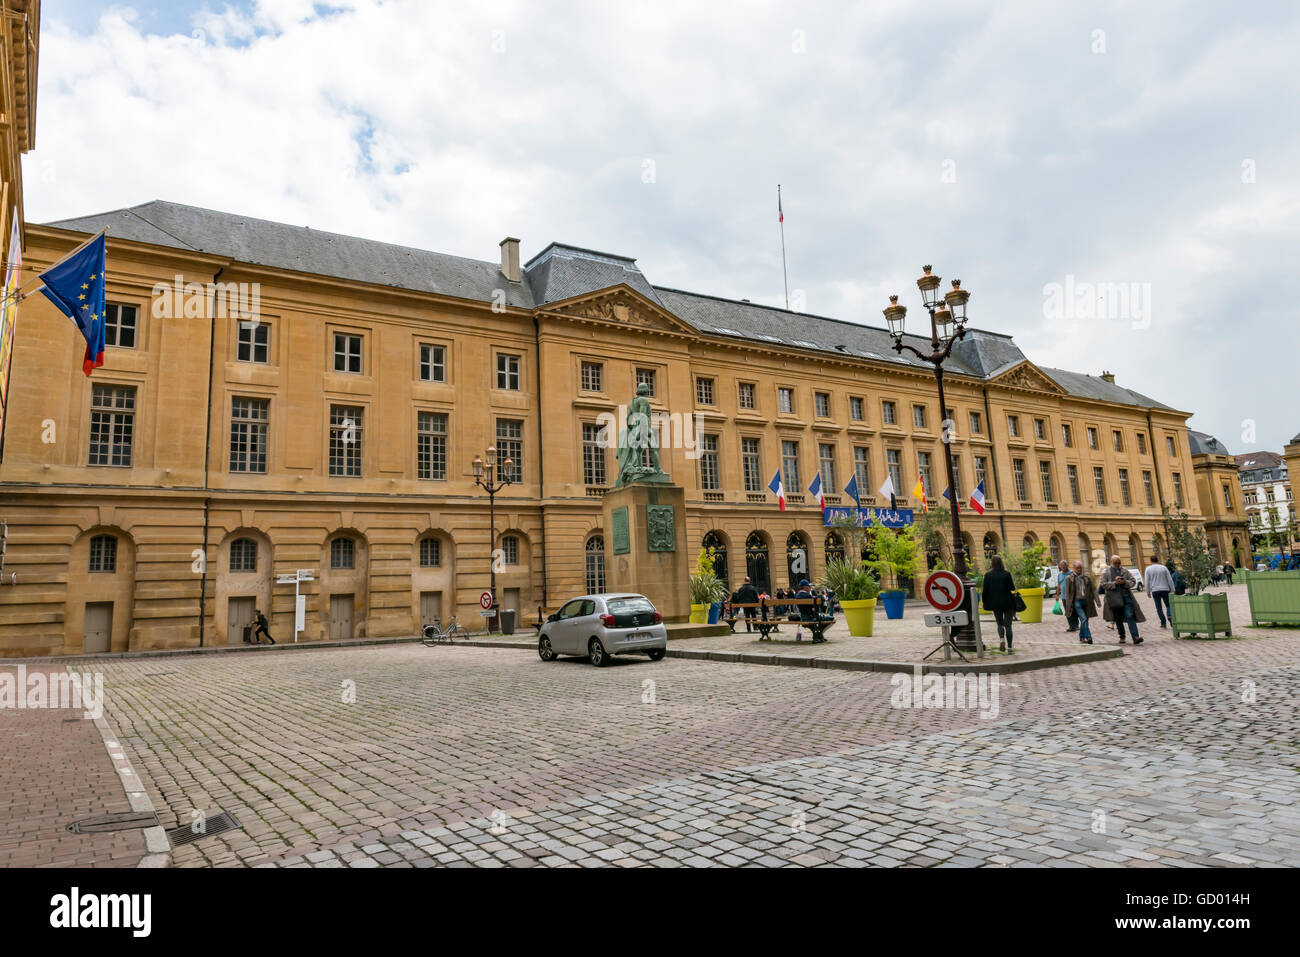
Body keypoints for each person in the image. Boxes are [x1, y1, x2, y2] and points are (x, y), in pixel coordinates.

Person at [1099, 555, 1144, 645]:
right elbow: (1103, 584)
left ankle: (1135, 637)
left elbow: (1133, 581)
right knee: (1118, 619)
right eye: (1116, 563)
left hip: (1126, 597)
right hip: (1114, 599)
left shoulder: (1125, 571)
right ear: (1111, 562)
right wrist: (1115, 583)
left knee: (1129, 615)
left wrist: (1125, 582)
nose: (1118, 564)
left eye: (1119, 563)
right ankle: (1122, 636)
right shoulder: (1106, 572)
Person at [981, 554, 1018, 652]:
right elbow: (1012, 588)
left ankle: (1002, 639)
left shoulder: (988, 575)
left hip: (995, 603)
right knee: (1008, 625)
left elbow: (985, 591)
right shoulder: (1007, 574)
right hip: (1008, 603)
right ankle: (1010, 647)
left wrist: (984, 602)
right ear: (1001, 562)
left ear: (992, 563)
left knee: (999, 623)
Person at [1063, 560, 1099, 644]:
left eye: (1080, 568)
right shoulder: (1069, 578)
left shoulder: (1086, 577)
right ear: (1074, 568)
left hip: (1086, 601)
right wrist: (1068, 605)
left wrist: (1097, 601)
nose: (1079, 569)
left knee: (1086, 620)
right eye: (1077, 568)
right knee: (1083, 619)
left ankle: (1081, 636)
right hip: (1077, 602)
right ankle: (1089, 637)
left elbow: (1093, 589)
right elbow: (1067, 593)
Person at [1144, 555, 1174, 629]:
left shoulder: (1148, 569)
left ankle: (1163, 623)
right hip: (1165, 589)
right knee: (1168, 605)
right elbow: (1169, 579)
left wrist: (1147, 592)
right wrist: (1173, 589)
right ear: (1158, 560)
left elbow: (1147, 582)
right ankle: (1169, 615)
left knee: (1159, 607)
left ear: (1151, 561)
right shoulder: (1163, 568)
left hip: (1155, 590)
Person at [1056, 559, 1077, 632]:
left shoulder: (1072, 573)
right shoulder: (1059, 574)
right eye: (1061, 567)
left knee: (1074, 611)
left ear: (1067, 566)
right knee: (1067, 612)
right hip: (1064, 596)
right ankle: (1071, 626)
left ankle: (1076, 625)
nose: (1063, 568)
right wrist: (1057, 595)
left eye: (1064, 566)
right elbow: (1058, 585)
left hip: (1072, 596)